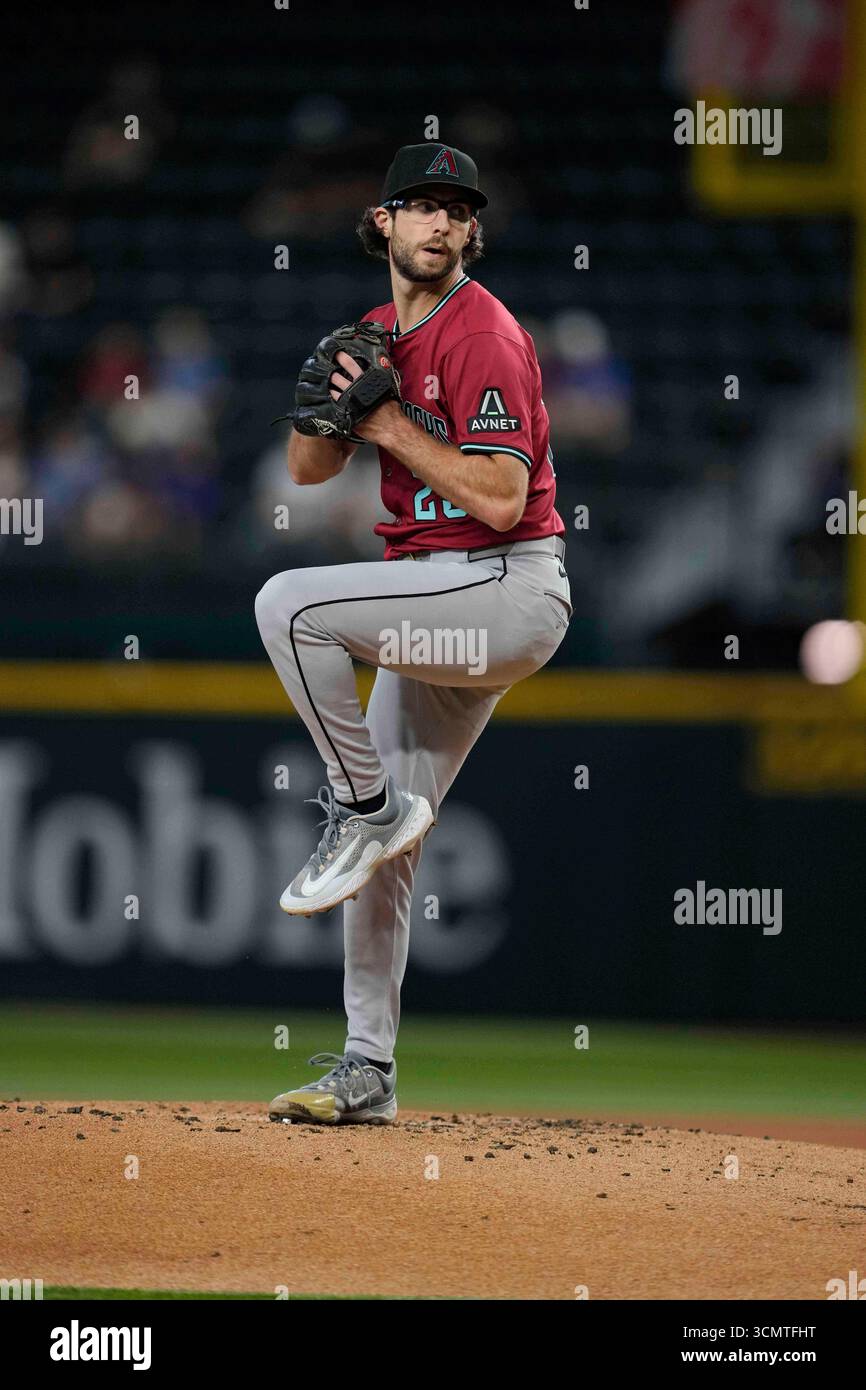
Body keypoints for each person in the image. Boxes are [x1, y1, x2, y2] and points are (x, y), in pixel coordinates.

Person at [255, 144, 571, 1125]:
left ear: (472, 231)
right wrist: (323, 405)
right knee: (389, 857)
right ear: (380, 223)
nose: (438, 223)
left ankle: (359, 802)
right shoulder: (373, 333)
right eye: (418, 206)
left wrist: (385, 424)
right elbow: (308, 472)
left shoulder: (483, 333)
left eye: (454, 209)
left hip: (504, 589)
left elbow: (501, 496)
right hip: (433, 605)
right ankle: (368, 1070)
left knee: (287, 605)